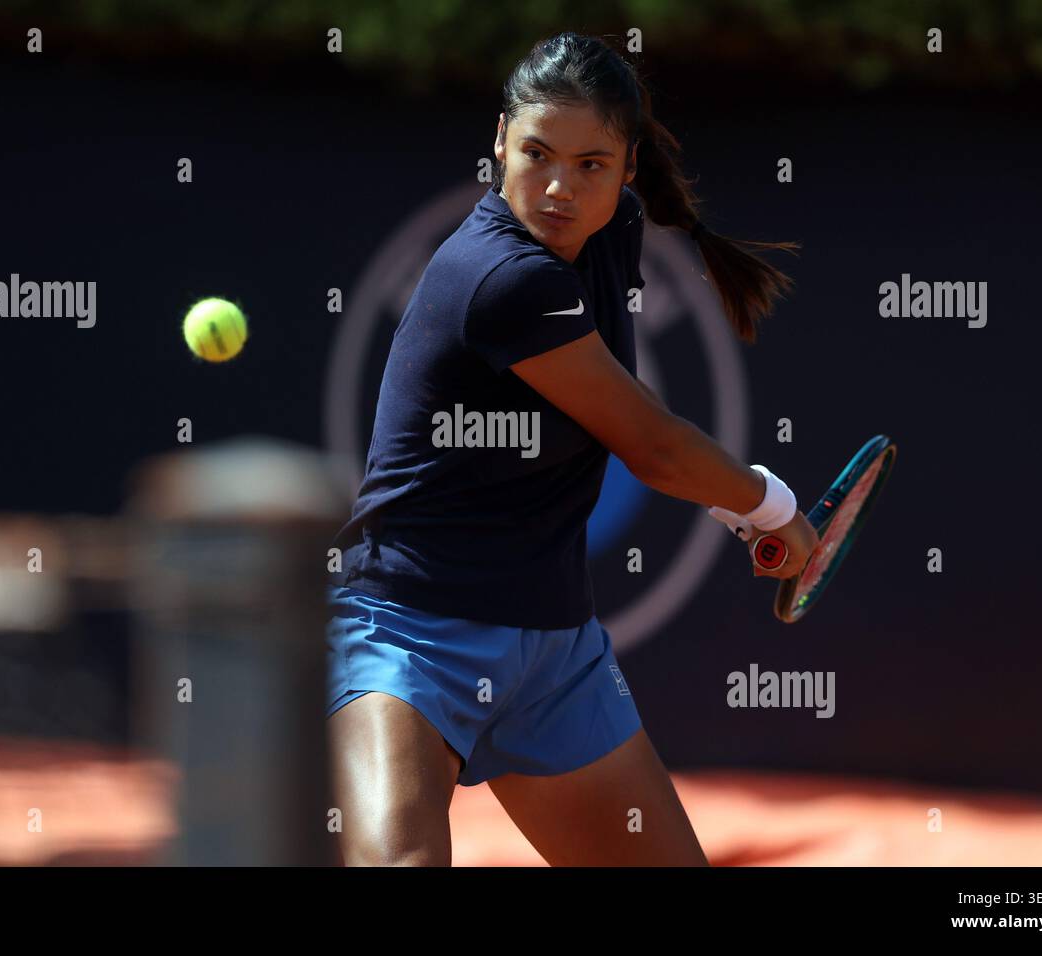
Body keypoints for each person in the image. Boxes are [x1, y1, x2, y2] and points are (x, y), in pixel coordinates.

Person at [324, 32, 819, 866]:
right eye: (537, 154)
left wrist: (743, 509)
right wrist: (771, 508)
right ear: (499, 143)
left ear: (628, 170)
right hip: (406, 632)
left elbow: (622, 411)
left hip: (554, 651)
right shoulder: (501, 278)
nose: (559, 187)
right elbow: (653, 447)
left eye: (592, 164)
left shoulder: (613, 229)